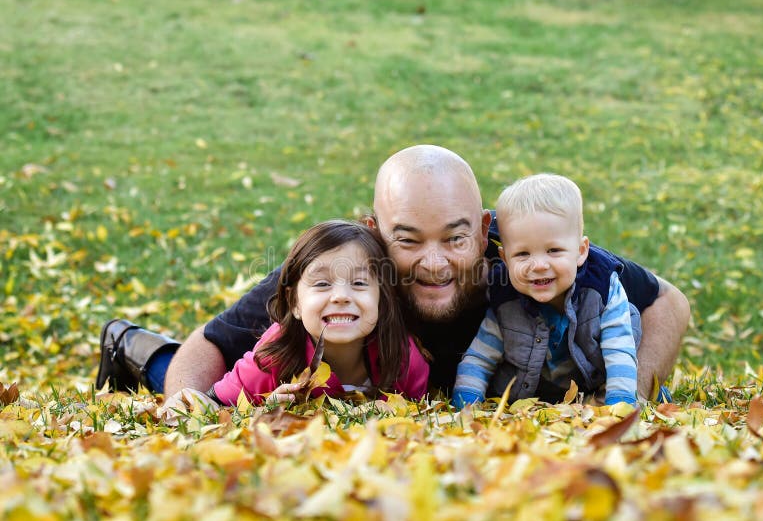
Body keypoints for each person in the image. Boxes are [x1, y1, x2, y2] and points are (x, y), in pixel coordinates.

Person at [96, 145, 689, 402]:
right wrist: (185, 404)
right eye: (407, 239)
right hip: (330, 382)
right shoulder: (343, 270)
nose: (434, 262)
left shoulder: (528, 257)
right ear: (375, 230)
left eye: (455, 238)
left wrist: (628, 397)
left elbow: (670, 303)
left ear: (485, 228)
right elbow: (214, 342)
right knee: (219, 383)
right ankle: (137, 348)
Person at [453, 174, 640, 408]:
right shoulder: (504, 297)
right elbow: (481, 356)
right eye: (522, 254)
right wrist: (466, 402)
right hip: (528, 394)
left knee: (629, 324)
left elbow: (619, 349)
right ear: (505, 259)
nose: (539, 265)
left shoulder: (602, 290)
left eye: (553, 250)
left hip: (590, 387)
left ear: (581, 251)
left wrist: (620, 403)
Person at [209, 220, 428, 404]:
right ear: (294, 302)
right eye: (322, 283)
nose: (340, 296)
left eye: (359, 283)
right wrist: (263, 409)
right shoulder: (272, 358)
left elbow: (419, 417)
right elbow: (214, 403)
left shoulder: (403, 358)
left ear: (382, 300)